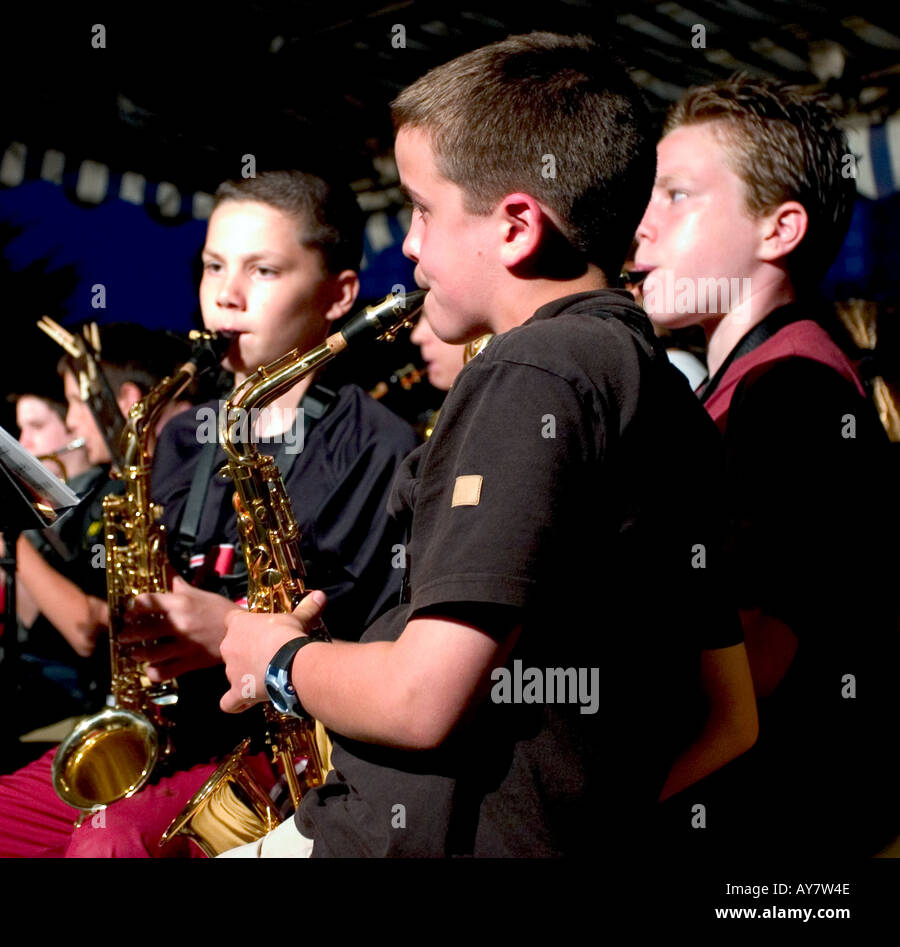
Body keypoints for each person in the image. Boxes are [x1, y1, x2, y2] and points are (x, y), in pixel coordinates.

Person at [217, 33, 755, 858]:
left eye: (422, 209)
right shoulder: (664, 390)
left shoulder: (528, 370)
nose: (409, 245)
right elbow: (732, 719)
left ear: (514, 227)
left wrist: (279, 656)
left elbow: (421, 698)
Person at [0, 170, 419, 857]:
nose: (225, 294)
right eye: (214, 266)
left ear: (339, 294)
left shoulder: (379, 446)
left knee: (108, 847)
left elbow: (385, 658)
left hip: (286, 754)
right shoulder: (177, 433)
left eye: (263, 270)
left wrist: (230, 631)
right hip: (169, 735)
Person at [633, 75, 900, 855]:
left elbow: (748, 669)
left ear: (779, 229)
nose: (641, 226)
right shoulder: (759, 379)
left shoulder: (790, 392)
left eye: (675, 195)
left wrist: (586, 813)